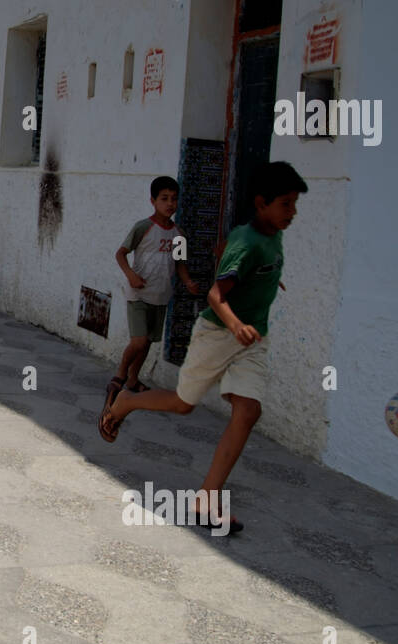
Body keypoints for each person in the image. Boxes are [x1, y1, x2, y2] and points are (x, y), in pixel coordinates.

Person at [98, 161, 308, 535]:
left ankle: (207, 498)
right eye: (286, 204)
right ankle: (127, 400)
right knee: (183, 404)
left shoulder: (269, 236)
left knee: (248, 411)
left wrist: (266, 281)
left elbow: (229, 251)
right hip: (219, 333)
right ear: (262, 203)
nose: (292, 212)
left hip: (253, 339)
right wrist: (235, 323)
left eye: (294, 204)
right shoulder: (248, 241)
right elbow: (215, 294)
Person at [103, 176, 200, 411]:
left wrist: (187, 281)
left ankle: (134, 379)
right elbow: (120, 253)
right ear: (152, 201)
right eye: (164, 198)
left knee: (148, 343)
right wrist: (131, 275)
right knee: (139, 341)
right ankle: (119, 376)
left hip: (161, 295)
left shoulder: (179, 234)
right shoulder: (143, 227)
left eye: (174, 199)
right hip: (138, 293)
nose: (170, 204)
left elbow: (179, 263)